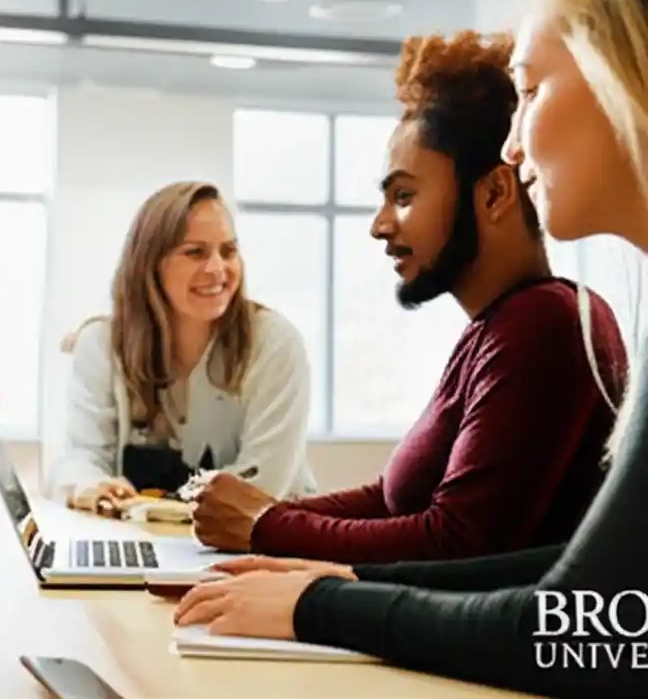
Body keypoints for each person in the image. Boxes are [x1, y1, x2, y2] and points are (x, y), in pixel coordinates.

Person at [176, 0, 648, 694]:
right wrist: (322, 568)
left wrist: (313, 583)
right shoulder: (506, 325)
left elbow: (577, 617)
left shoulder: (545, 321)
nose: (516, 148)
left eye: (531, 91)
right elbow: (572, 574)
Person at [189, 31, 627, 564]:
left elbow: (457, 540)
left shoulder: (542, 322)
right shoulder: (500, 324)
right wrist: (263, 514)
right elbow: (393, 499)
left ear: (493, 194)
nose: (379, 226)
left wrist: (267, 526)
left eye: (404, 196)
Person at [50, 181, 316, 511]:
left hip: (255, 548)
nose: (218, 269)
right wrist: (91, 485)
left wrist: (153, 508)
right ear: (149, 264)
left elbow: (263, 486)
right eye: (195, 252)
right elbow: (80, 457)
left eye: (229, 251)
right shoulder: (100, 344)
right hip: (138, 543)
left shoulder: (275, 343)